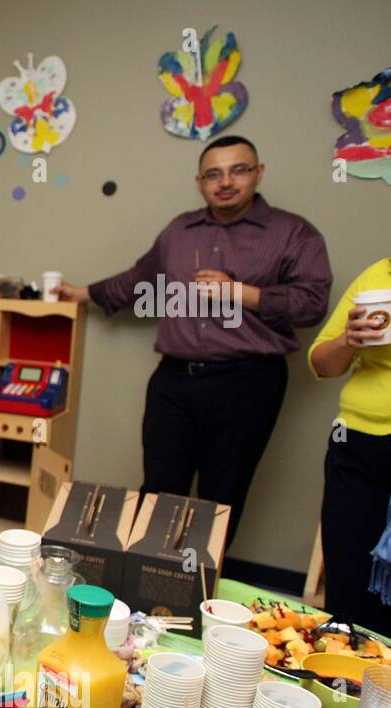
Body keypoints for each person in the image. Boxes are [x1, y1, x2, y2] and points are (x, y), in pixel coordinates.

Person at [59, 135, 333, 549]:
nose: (226, 182)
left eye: (238, 170)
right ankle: (145, 590)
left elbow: (313, 304)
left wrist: (242, 293)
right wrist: (80, 293)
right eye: (214, 174)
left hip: (248, 382)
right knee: (158, 488)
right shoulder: (179, 231)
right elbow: (139, 280)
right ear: (199, 182)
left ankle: (201, 594)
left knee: (222, 496)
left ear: (259, 174)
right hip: (174, 381)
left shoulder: (293, 233)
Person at [309, 257, 391, 636]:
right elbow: (322, 363)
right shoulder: (377, 274)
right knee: (346, 572)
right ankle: (343, 674)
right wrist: (348, 340)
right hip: (355, 443)